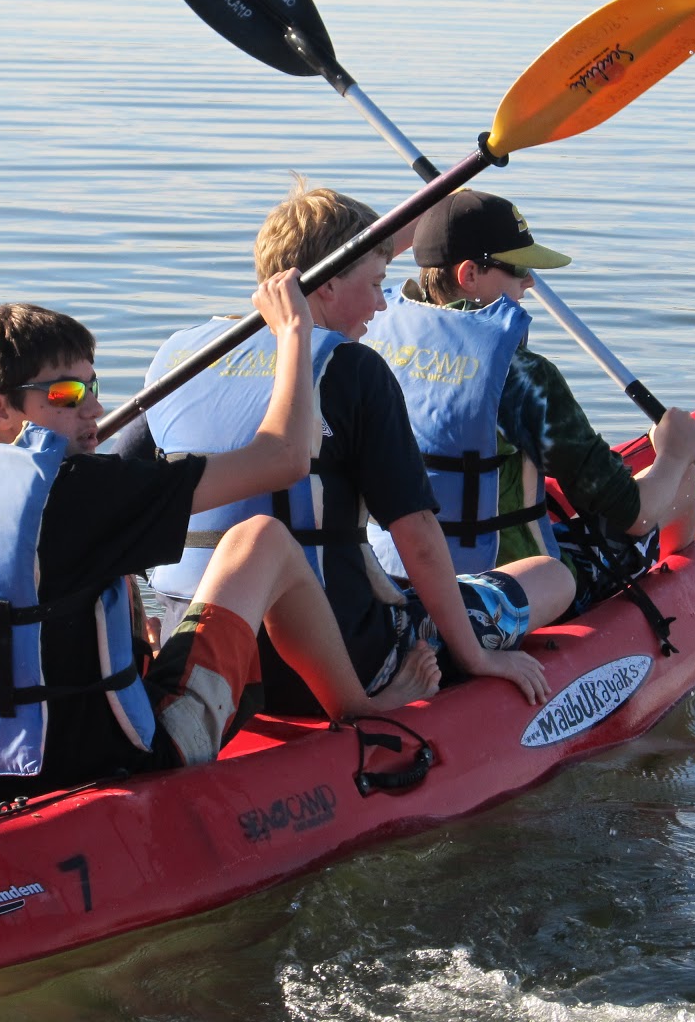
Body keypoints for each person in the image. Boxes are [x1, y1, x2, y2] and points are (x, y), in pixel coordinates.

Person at [0, 271, 439, 803]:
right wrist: (293, 334)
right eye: (65, 395)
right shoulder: (83, 489)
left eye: (93, 386)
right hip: (113, 759)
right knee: (262, 538)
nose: (93, 408)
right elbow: (285, 458)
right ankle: (360, 707)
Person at [119, 178, 575, 712]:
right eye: (377, 283)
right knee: (551, 576)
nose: (384, 305)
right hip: (340, 660)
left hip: (201, 647)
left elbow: (118, 509)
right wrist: (477, 657)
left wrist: (135, 629)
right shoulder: (351, 369)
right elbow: (418, 535)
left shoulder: (180, 356)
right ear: (329, 286)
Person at [361, 187, 695, 621]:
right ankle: (684, 607)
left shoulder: (369, 333)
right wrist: (673, 454)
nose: (529, 282)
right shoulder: (522, 376)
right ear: (469, 275)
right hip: (512, 582)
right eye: (518, 269)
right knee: (685, 481)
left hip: (394, 572)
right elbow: (635, 515)